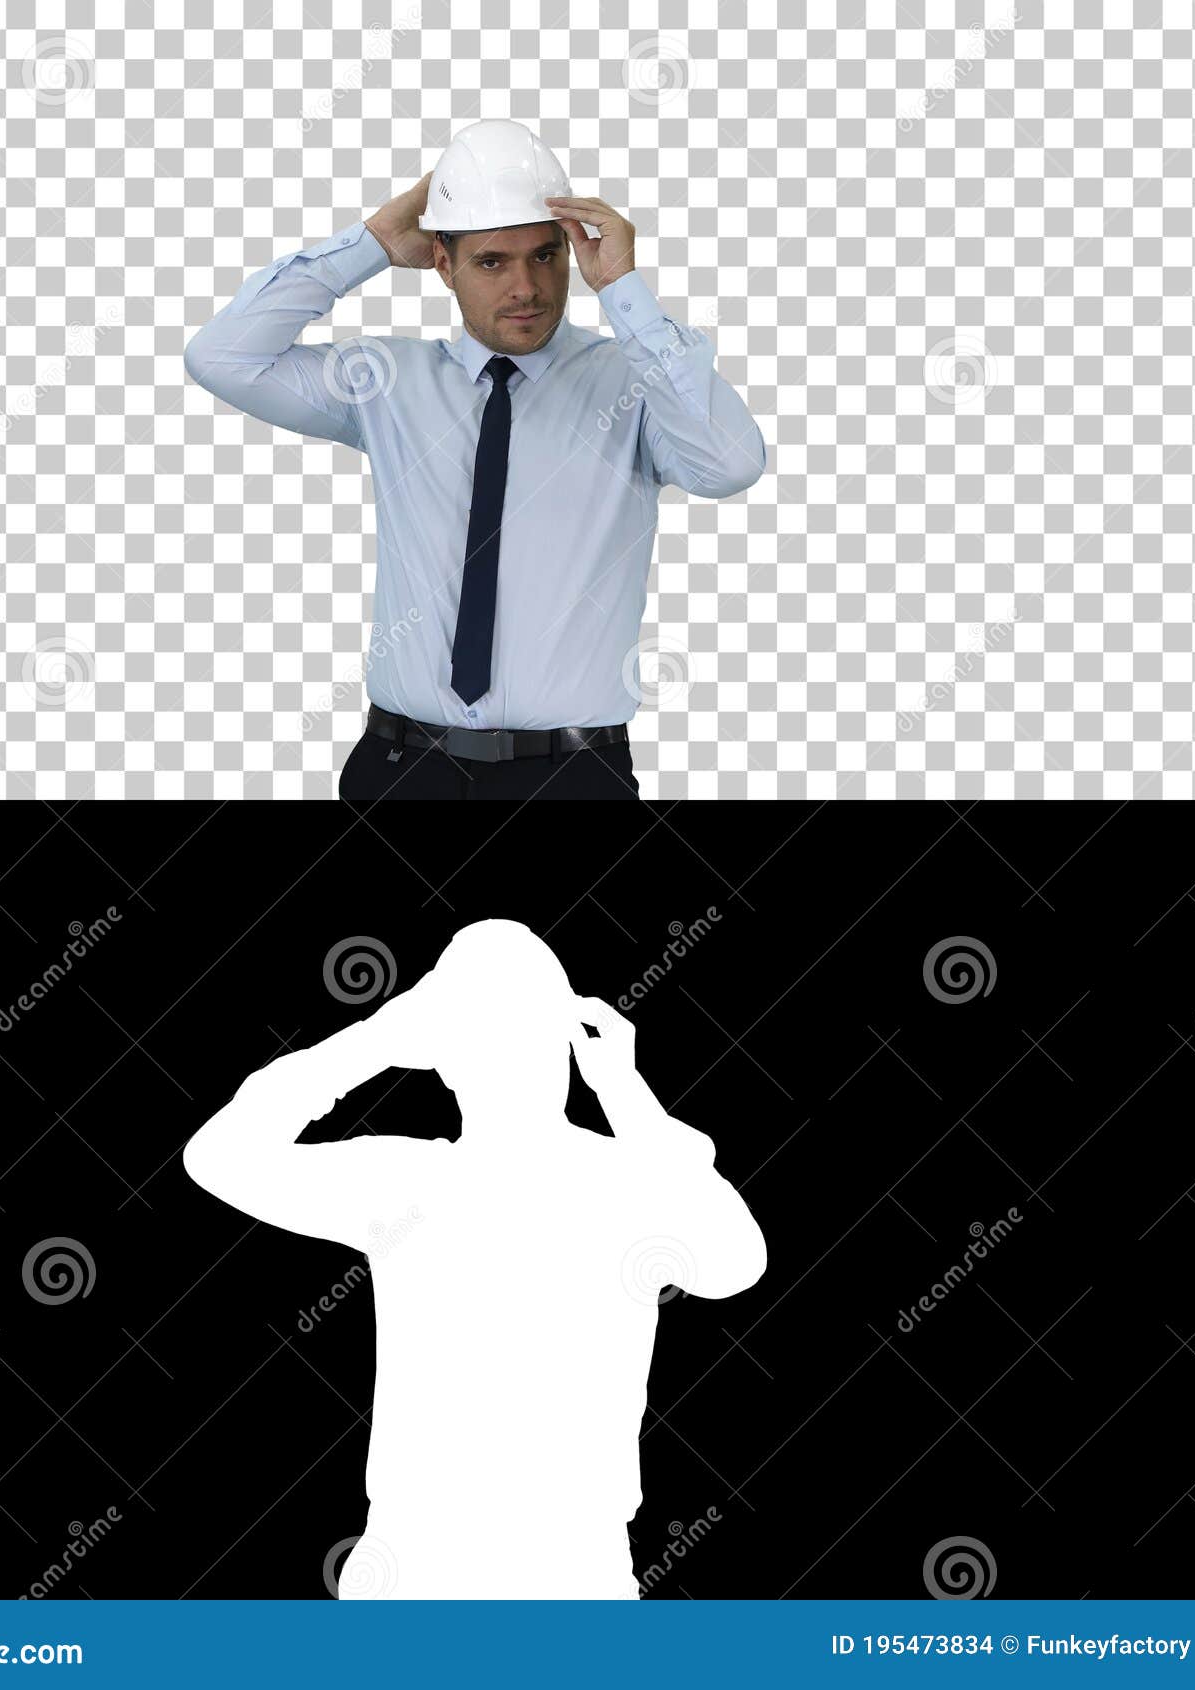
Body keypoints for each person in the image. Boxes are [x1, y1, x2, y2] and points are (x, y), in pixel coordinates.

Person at [183, 119, 768, 801]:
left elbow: (729, 466)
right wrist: (367, 245)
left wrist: (624, 292)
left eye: (545, 257)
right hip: (400, 772)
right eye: (492, 261)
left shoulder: (634, 384)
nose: (526, 287)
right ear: (442, 263)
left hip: (572, 780)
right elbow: (222, 357)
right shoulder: (387, 381)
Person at [181, 919, 768, 1598]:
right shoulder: (407, 1183)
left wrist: (630, 1099)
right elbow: (219, 1159)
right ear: (444, 1057)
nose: (510, 1048)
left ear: (566, 1042)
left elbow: (733, 1262)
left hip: (571, 1584)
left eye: (526, 1024)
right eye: (482, 1027)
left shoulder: (630, 1182)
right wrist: (370, 1041)